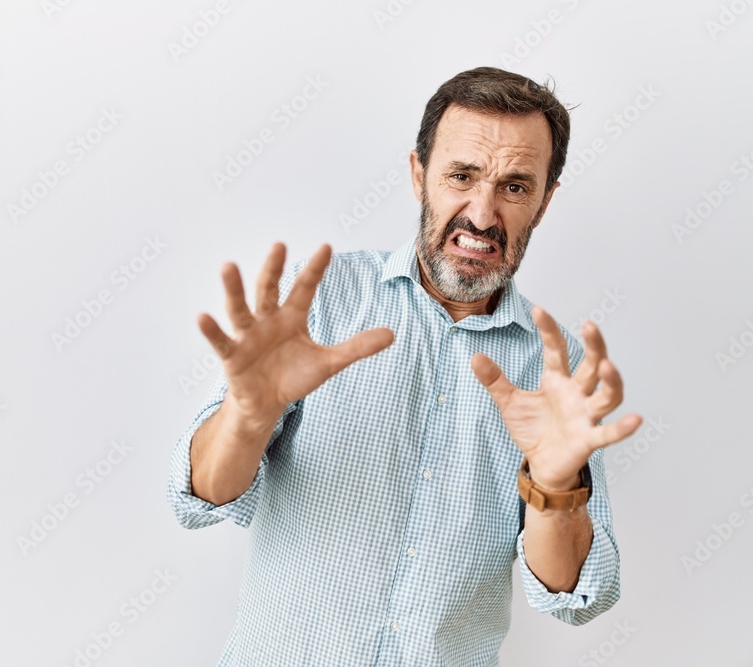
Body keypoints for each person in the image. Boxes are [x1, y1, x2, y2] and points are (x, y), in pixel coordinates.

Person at [168, 66, 643, 666]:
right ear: (419, 175)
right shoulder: (322, 299)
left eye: (515, 187)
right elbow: (202, 500)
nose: (482, 213)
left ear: (544, 204)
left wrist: (555, 488)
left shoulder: (557, 369)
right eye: (461, 176)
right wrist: (246, 415)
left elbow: (574, 596)